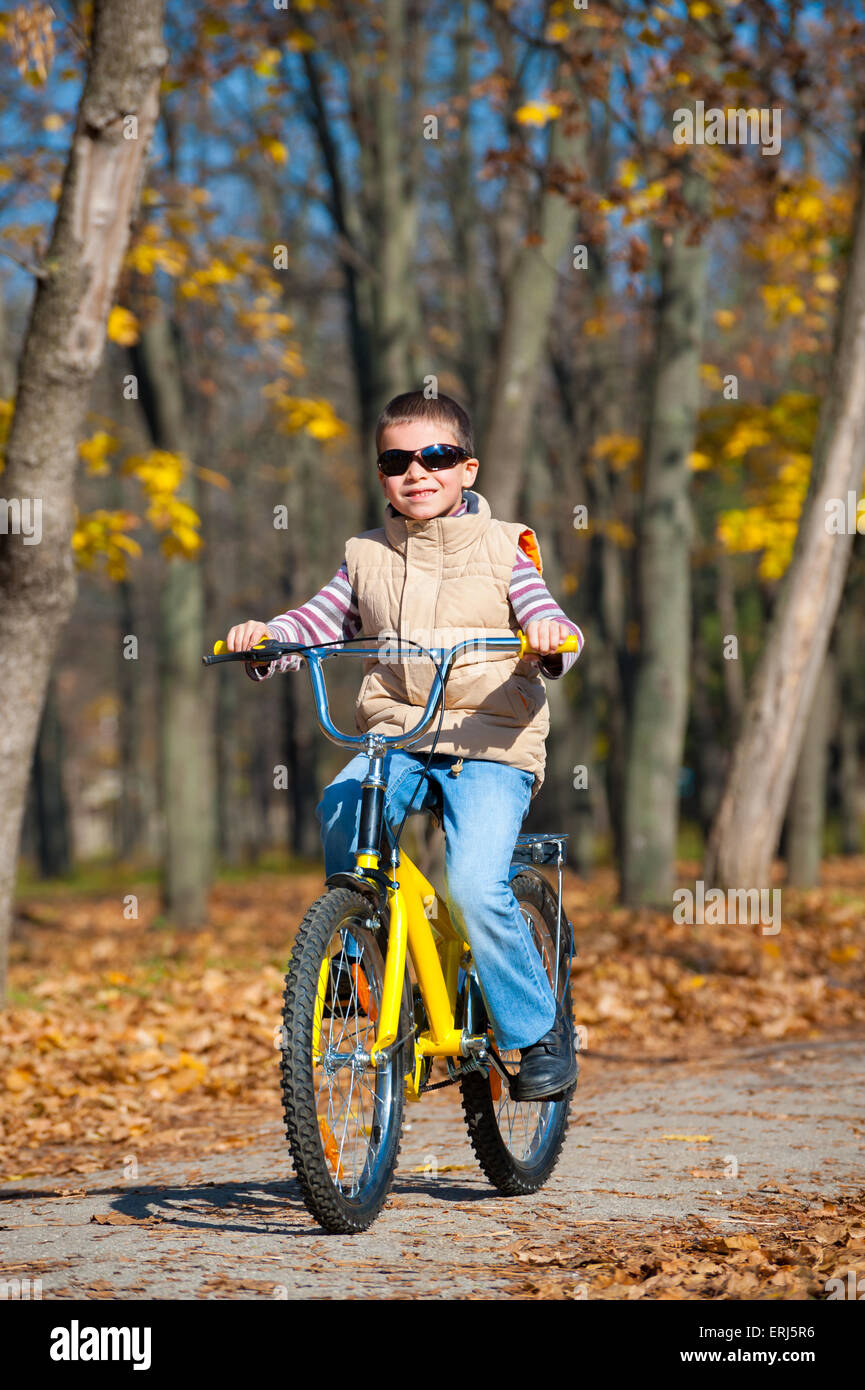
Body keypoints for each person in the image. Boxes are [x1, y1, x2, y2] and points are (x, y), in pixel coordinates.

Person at [226, 390, 584, 1099]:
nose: (416, 472)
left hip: (491, 740)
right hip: (398, 734)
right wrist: (270, 637)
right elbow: (319, 620)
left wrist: (549, 642)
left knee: (476, 885)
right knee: (340, 805)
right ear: (381, 473)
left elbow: (546, 615)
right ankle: (357, 955)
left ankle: (538, 1031)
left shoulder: (504, 547)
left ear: (467, 469)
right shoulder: (365, 555)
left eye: (437, 456)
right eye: (396, 460)